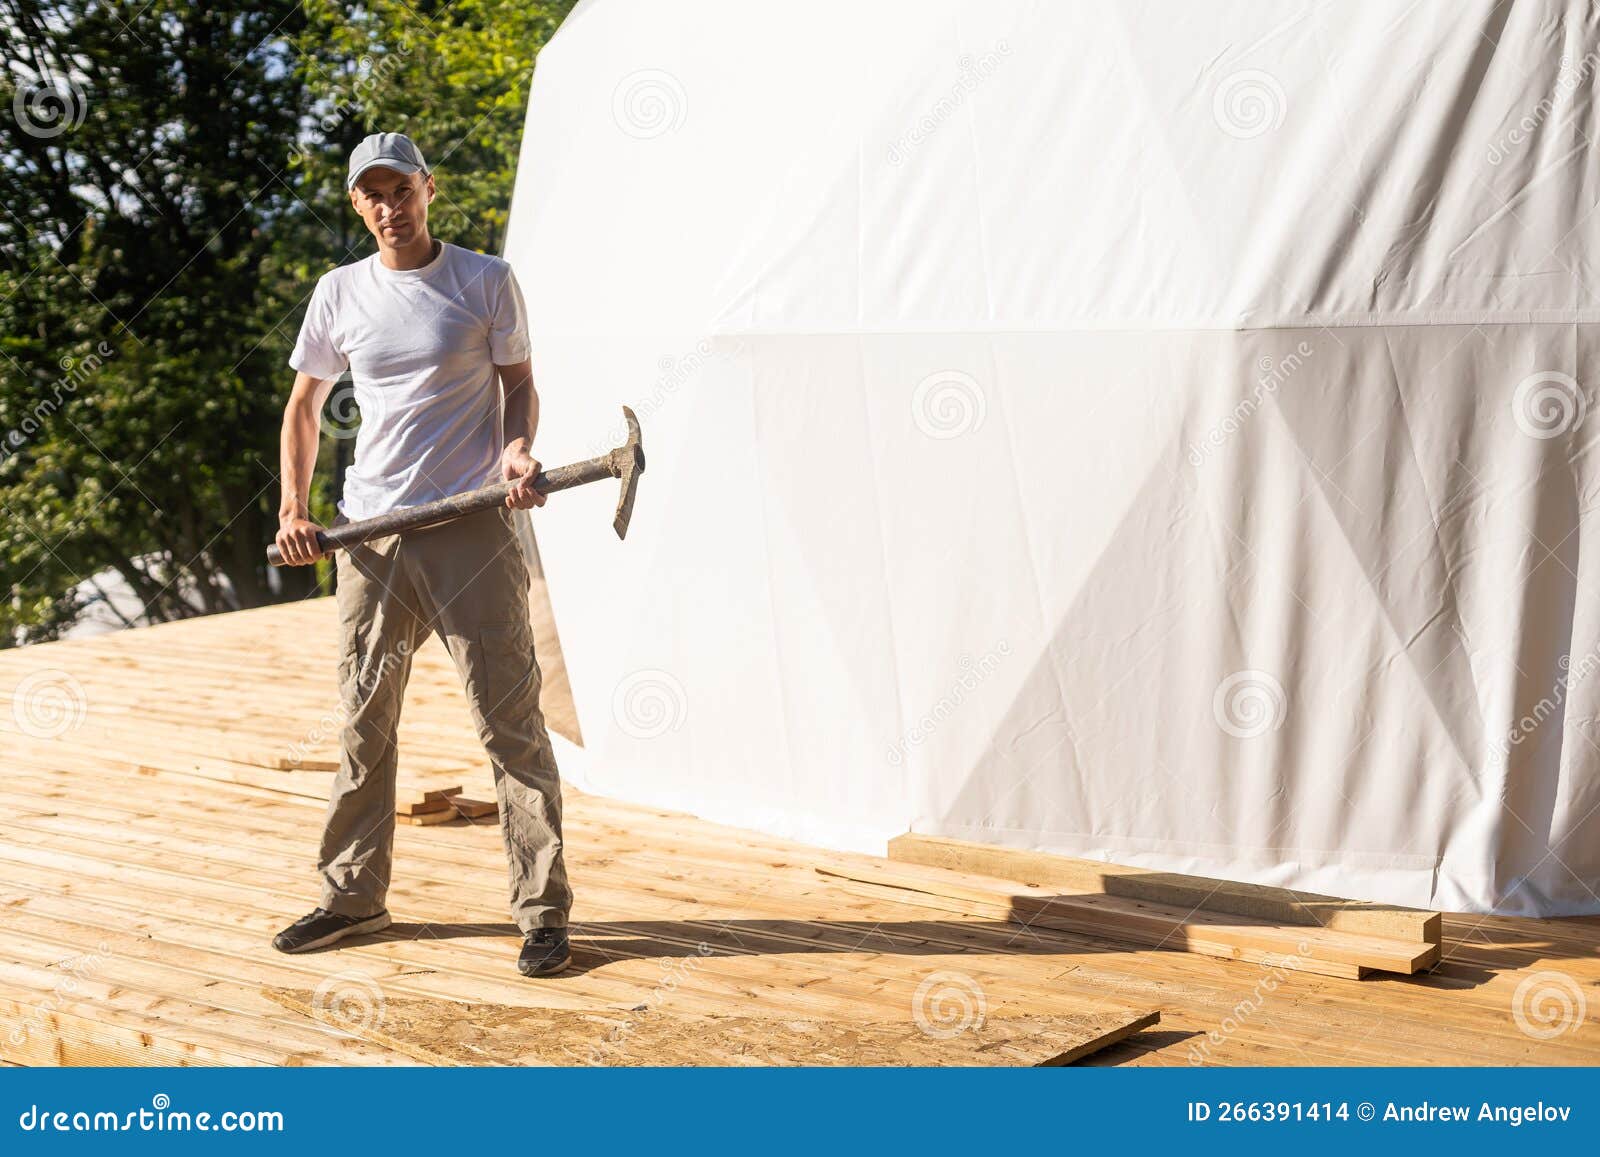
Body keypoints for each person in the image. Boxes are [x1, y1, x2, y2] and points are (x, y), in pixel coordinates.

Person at [270, 131, 572, 977]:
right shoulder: (338, 293)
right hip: (368, 537)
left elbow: (519, 382)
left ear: (427, 189)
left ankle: (543, 912)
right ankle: (352, 898)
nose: (387, 206)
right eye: (370, 193)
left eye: (399, 188)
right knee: (365, 721)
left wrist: (517, 453)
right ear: (356, 205)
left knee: (509, 721)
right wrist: (295, 508)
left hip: (470, 527)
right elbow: (303, 407)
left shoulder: (484, 280)